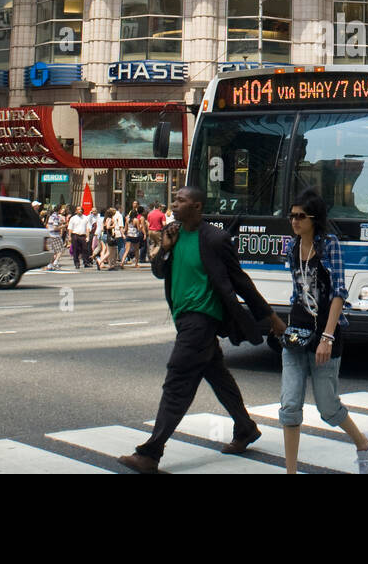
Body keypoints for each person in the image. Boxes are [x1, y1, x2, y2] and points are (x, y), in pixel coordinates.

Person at [118, 187, 284, 474]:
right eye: (176, 200)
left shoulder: (215, 239)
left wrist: (270, 316)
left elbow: (241, 281)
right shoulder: (175, 233)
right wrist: (164, 249)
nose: (175, 205)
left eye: (181, 201)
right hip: (184, 319)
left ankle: (151, 453)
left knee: (177, 381)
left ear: (196, 206)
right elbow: (159, 271)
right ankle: (245, 428)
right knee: (217, 374)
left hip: (202, 318)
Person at [278, 189, 368, 474]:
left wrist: (327, 337)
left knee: (328, 407)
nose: (294, 221)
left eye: (300, 216)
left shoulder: (329, 245)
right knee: (290, 405)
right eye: (291, 215)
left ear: (314, 219)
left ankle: (363, 444)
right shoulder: (291, 247)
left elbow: (338, 293)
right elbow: (298, 291)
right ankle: (291, 471)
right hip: (297, 333)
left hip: (325, 334)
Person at [45, 206, 66, 270]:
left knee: (52, 251)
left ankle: (49, 265)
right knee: (61, 249)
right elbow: (55, 227)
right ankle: (55, 263)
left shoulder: (51, 216)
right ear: (59, 210)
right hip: (55, 235)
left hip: (49, 234)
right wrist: (63, 226)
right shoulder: (56, 217)